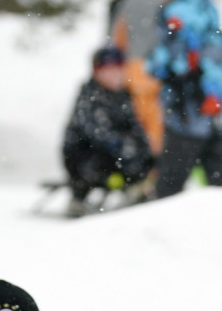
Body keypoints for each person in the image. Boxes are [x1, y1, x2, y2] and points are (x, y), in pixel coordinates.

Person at [146, 0, 222, 198]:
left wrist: (153, 65)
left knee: (169, 185)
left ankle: (159, 234)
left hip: (186, 109)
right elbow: (214, 57)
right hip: (213, 111)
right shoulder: (208, 10)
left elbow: (172, 61)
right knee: (220, 180)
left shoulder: (176, 16)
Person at [61, 45, 155, 217]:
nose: (115, 75)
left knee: (146, 158)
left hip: (116, 157)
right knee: (101, 160)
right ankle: (79, 198)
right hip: (85, 158)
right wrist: (127, 154)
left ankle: (138, 191)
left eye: (118, 70)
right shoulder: (90, 95)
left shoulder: (124, 95)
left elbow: (136, 128)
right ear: (97, 72)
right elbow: (99, 133)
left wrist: (145, 153)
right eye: (109, 70)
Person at [108, 0, 168, 154]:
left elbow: (117, 37)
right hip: (163, 69)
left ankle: (144, 166)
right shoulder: (171, 0)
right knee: (160, 122)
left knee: (138, 122)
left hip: (134, 69)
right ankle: (161, 167)